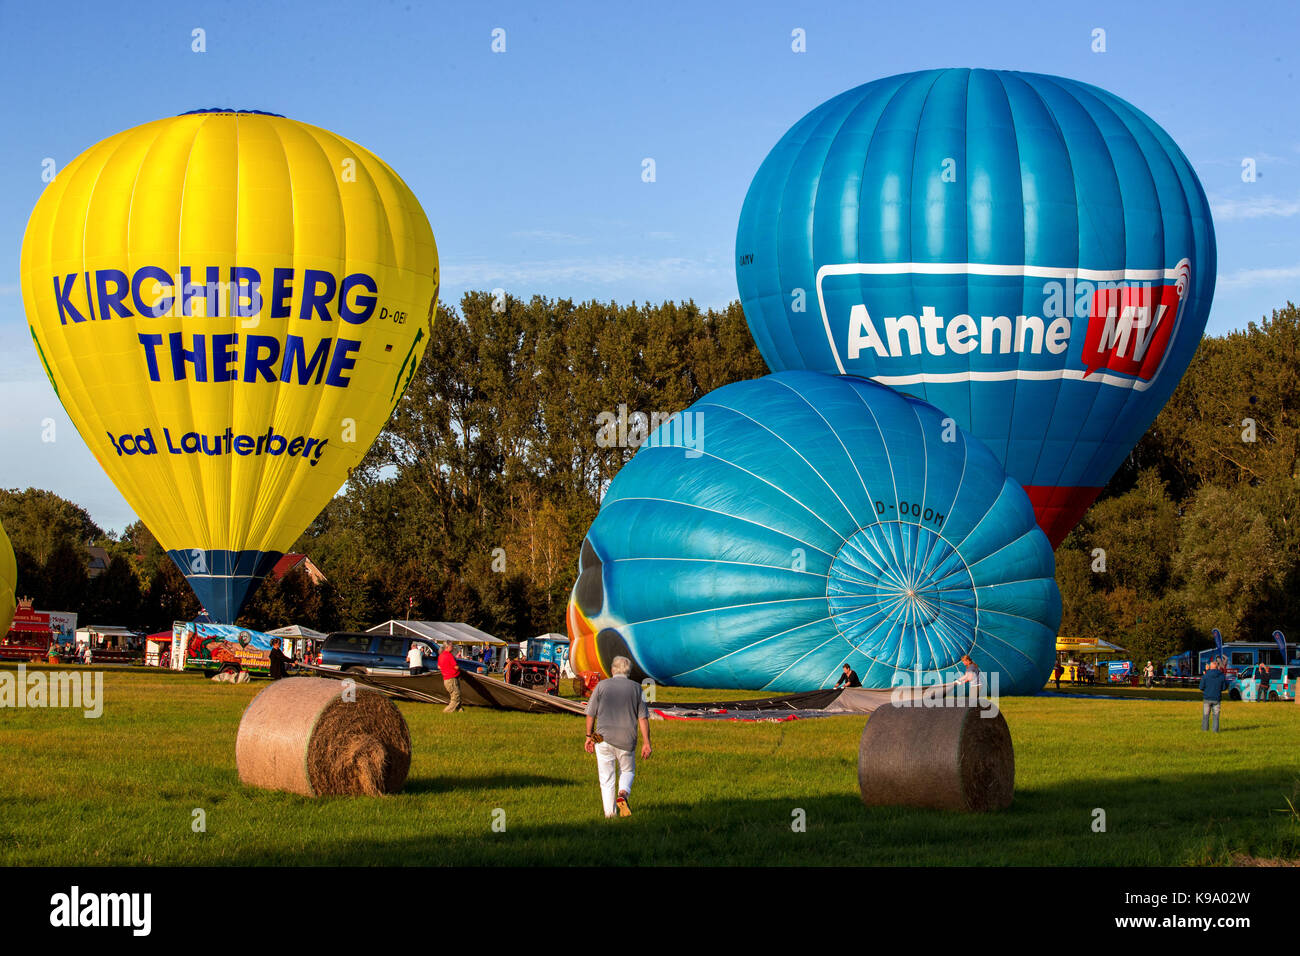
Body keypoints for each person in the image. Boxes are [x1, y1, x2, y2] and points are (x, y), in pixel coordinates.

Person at [584, 656, 651, 818]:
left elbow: (590, 714)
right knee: (627, 770)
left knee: (606, 778)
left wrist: (588, 736)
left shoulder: (601, 686)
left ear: (612, 670)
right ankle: (623, 792)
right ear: (628, 671)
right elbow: (643, 718)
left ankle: (610, 815)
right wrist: (647, 742)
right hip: (626, 738)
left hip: (601, 737)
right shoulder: (637, 688)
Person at [1199, 659, 1226, 732]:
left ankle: (1205, 730)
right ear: (1217, 667)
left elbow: (1201, 687)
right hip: (1217, 698)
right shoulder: (1221, 675)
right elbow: (1224, 688)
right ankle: (1215, 731)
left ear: (1210, 667)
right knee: (1216, 716)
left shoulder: (1206, 675)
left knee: (1205, 716)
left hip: (1207, 698)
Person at [438, 642, 463, 712]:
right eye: (451, 646)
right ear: (447, 647)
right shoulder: (449, 655)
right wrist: (460, 669)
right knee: (456, 696)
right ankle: (446, 712)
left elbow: (439, 666)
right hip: (452, 678)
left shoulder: (441, 656)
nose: (452, 647)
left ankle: (460, 711)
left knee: (454, 695)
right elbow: (456, 667)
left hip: (446, 679)